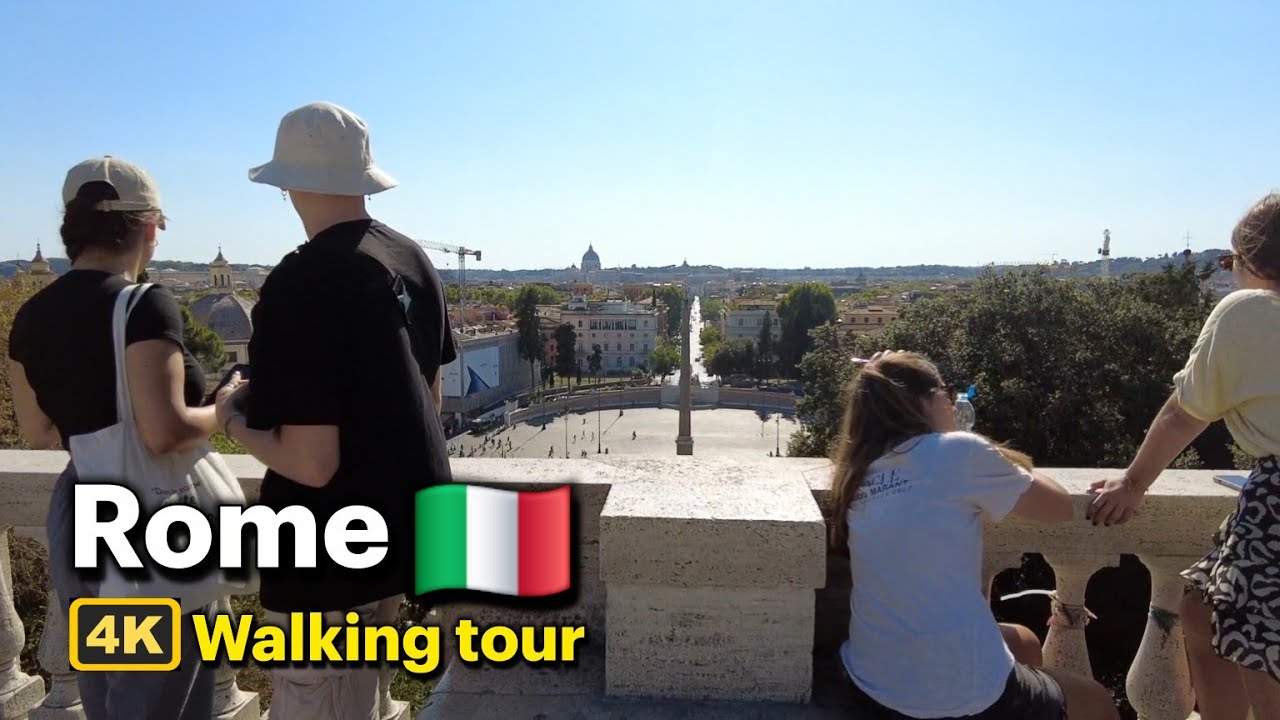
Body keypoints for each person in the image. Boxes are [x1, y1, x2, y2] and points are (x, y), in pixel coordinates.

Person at [223, 102, 456, 720]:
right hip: (399, 534)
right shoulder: (412, 258)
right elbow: (427, 399)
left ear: (288, 185)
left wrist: (230, 419)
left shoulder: (302, 282)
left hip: (328, 548)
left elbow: (312, 463)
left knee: (318, 700)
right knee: (364, 698)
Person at [8, 157, 224, 719]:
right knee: (162, 697)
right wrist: (223, 409)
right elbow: (164, 431)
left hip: (80, 508)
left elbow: (38, 432)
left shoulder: (29, 317)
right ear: (149, 227)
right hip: (147, 519)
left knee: (111, 692)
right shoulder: (143, 304)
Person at [831, 351, 1118, 720]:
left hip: (872, 683)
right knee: (1097, 703)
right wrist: (976, 445)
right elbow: (1059, 506)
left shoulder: (856, 474)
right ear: (924, 402)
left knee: (1024, 642)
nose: (952, 405)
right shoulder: (958, 452)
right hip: (954, 696)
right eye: (946, 394)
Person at [1088, 193, 1280, 719]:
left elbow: (1185, 411)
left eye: (1231, 261)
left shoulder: (1251, 310)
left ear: (1254, 261)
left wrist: (1133, 483)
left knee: (1263, 658)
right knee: (1200, 610)